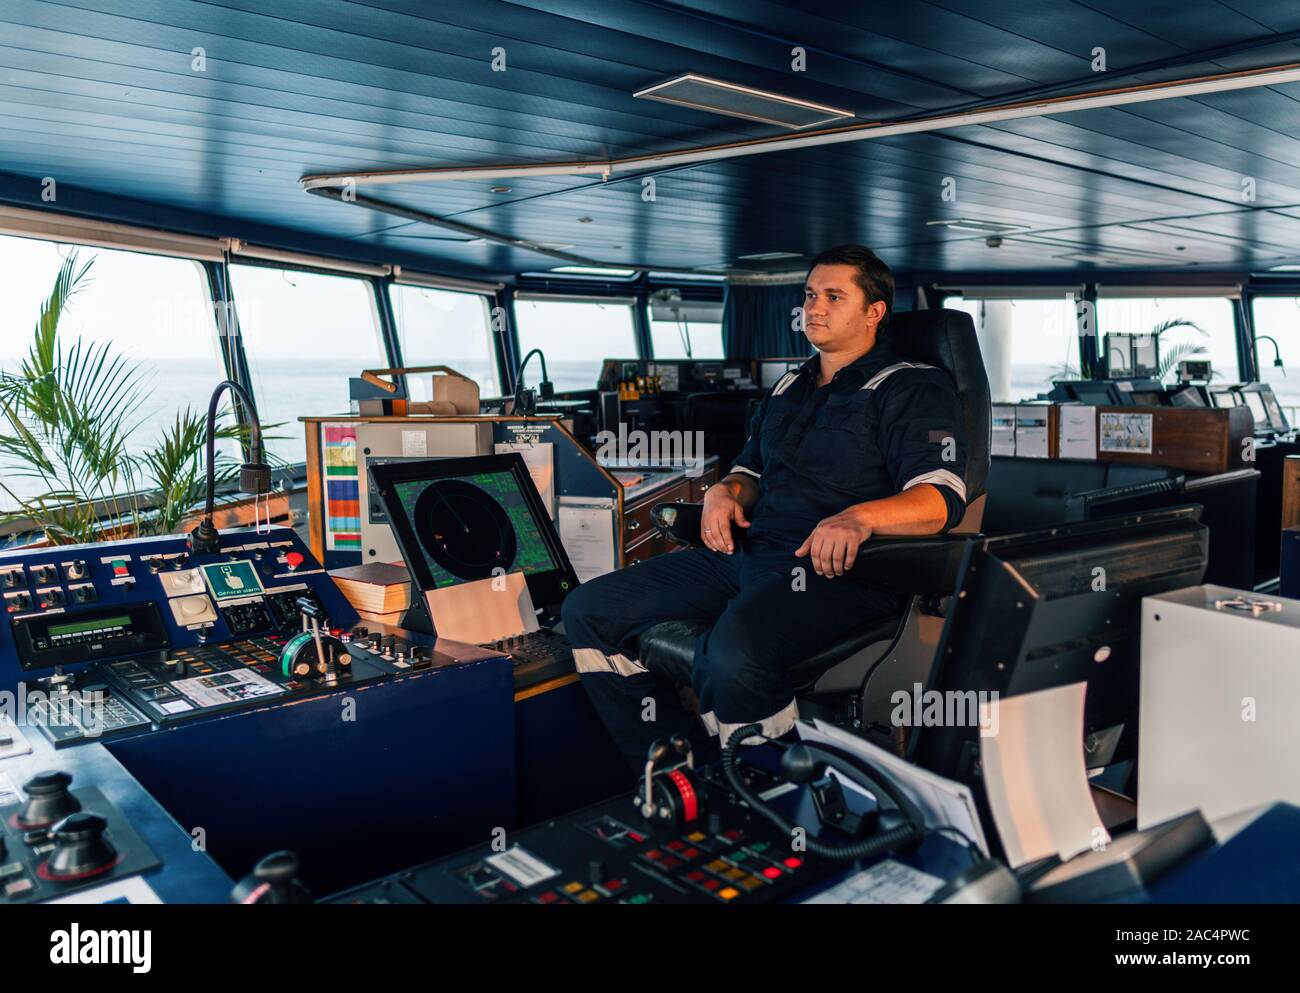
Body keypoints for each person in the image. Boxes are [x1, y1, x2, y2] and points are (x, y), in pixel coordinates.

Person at [561, 245, 968, 771]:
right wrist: (723, 492)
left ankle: (765, 792)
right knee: (588, 609)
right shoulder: (790, 386)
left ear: (874, 312)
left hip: (836, 570)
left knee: (733, 654)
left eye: (833, 296)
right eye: (809, 295)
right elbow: (749, 470)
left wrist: (859, 517)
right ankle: (677, 767)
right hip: (746, 555)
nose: (813, 308)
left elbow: (940, 497)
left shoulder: (911, 386)